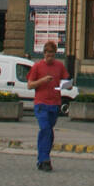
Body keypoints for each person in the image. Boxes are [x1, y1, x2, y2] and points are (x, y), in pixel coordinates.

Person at [26, 40, 69, 172]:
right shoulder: (37, 67)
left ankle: (42, 158)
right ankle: (44, 160)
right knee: (44, 129)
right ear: (44, 53)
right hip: (41, 103)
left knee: (49, 132)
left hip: (54, 104)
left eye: (52, 53)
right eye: (47, 53)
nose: (50, 56)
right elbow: (30, 85)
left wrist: (67, 85)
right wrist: (42, 81)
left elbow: (66, 81)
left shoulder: (59, 66)